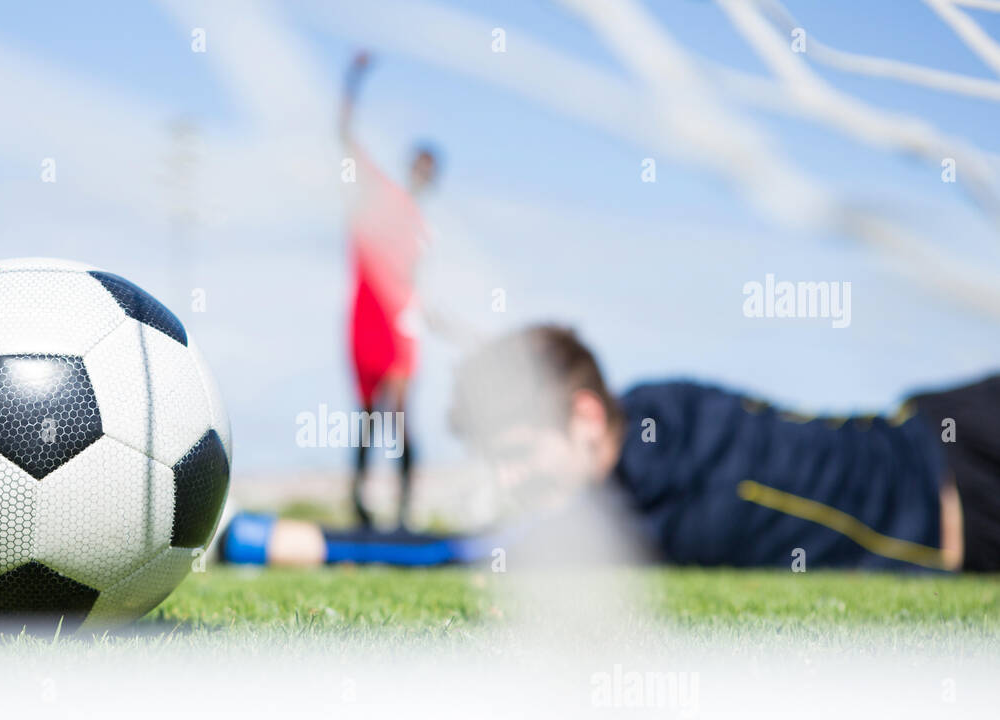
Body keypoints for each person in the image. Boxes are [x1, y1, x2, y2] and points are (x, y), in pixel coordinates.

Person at [222, 323, 998, 572]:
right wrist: (300, 539)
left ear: (588, 418)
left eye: (520, 450)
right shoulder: (613, 497)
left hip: (958, 447)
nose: (514, 478)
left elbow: (463, 547)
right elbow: (458, 547)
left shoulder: (664, 434)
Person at [339, 51, 439, 529]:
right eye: (418, 165)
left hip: (400, 328)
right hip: (367, 318)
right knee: (367, 418)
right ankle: (360, 503)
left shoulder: (422, 227)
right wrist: (353, 78)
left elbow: (415, 288)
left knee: (400, 417)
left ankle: (402, 511)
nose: (421, 174)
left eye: (428, 170)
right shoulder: (381, 196)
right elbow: (343, 136)